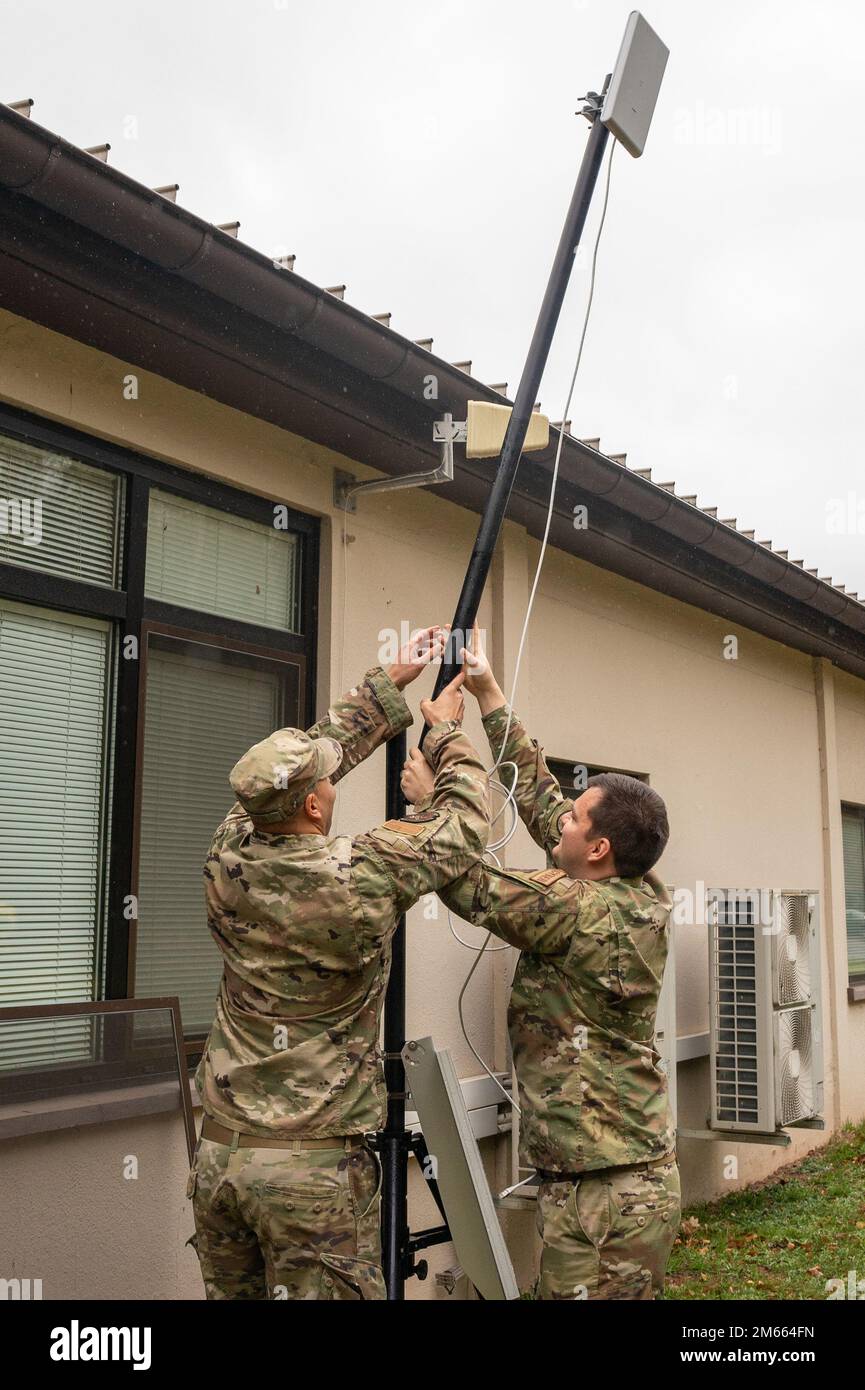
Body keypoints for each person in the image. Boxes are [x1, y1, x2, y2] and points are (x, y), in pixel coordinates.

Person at [187, 627, 490, 1300]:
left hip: (221, 1159)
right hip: (311, 1173)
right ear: (318, 804)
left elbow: (284, 778)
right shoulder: (361, 871)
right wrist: (443, 734)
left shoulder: (227, 852)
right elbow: (465, 826)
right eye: (326, 781)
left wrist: (386, 686)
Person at [400, 632, 678, 1301]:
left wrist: (438, 776)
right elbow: (545, 802)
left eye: (578, 821)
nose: (562, 824)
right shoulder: (639, 890)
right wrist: (490, 694)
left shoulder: (573, 909)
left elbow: (465, 882)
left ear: (600, 846)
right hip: (619, 1180)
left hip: (603, 1197)